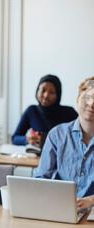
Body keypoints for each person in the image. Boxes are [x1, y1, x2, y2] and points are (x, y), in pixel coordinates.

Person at [34, 76, 94, 210]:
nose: (91, 103)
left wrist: (91, 200)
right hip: (60, 209)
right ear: (78, 99)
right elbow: (41, 179)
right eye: (87, 97)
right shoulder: (56, 135)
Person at [12, 74, 78, 147]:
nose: (46, 95)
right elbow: (15, 138)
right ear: (37, 91)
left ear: (58, 95)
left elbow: (82, 137)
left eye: (51, 92)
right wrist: (28, 139)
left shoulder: (69, 112)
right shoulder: (32, 110)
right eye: (43, 90)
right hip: (37, 157)